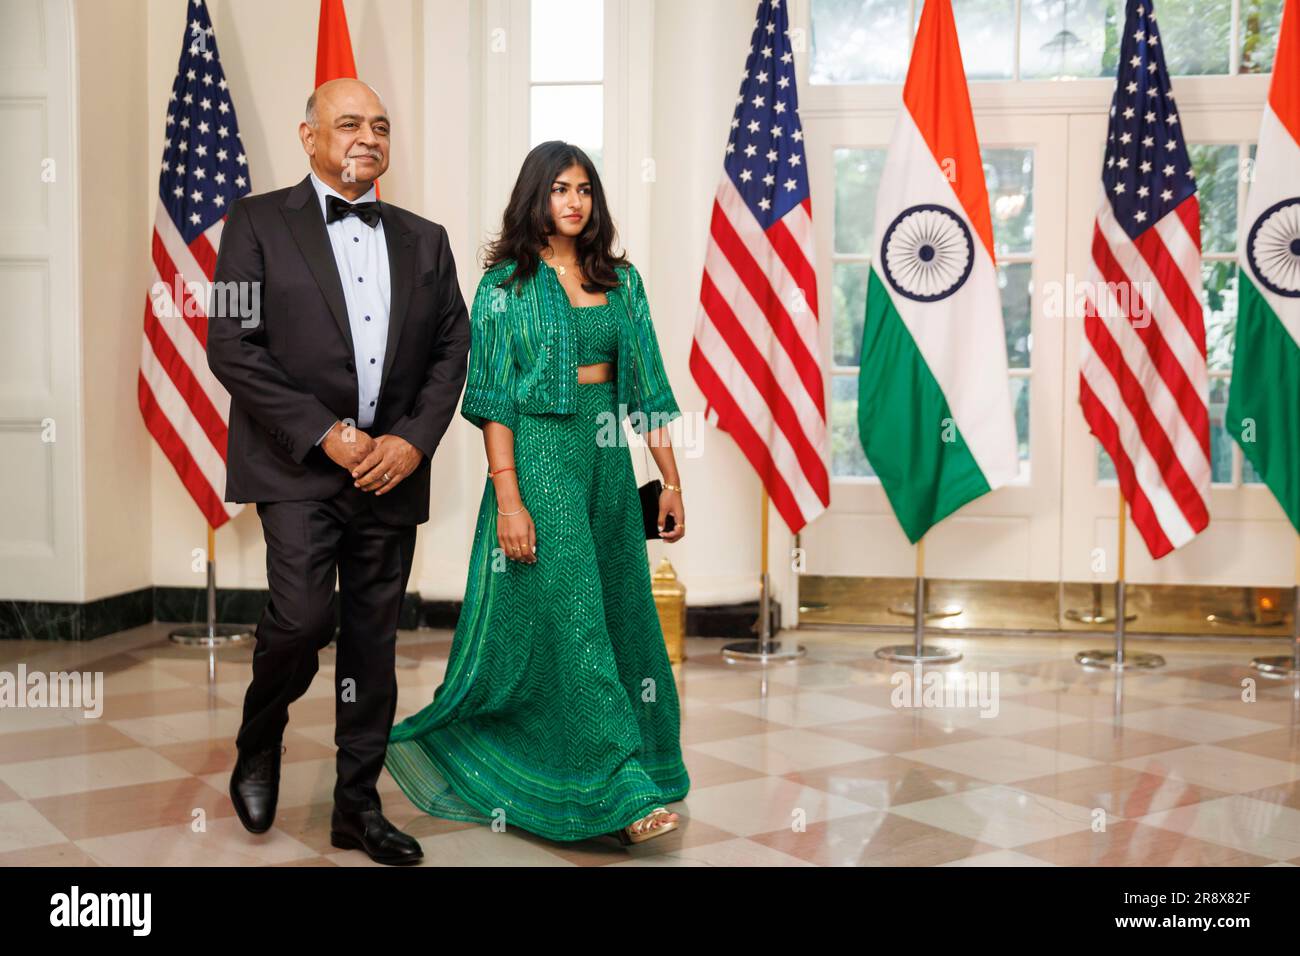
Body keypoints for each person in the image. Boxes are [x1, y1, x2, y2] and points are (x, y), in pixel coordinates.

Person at [384, 141, 690, 845]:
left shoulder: (621, 280)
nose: (574, 202)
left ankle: (593, 765)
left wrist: (670, 479)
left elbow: (647, 388)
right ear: (536, 197)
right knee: (577, 617)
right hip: (539, 462)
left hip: (608, 463)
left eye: (584, 188)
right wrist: (510, 498)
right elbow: (492, 400)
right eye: (559, 189)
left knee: (620, 612)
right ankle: (620, 788)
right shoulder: (504, 286)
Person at [206, 78, 470, 865]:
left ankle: (357, 806)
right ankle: (261, 742)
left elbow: (453, 347)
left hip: (391, 474)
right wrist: (325, 434)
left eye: (380, 126)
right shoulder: (254, 223)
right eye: (349, 122)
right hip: (295, 468)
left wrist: (412, 442)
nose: (368, 136)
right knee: (301, 620)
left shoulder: (427, 239)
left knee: (372, 645)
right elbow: (233, 344)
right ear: (308, 135)